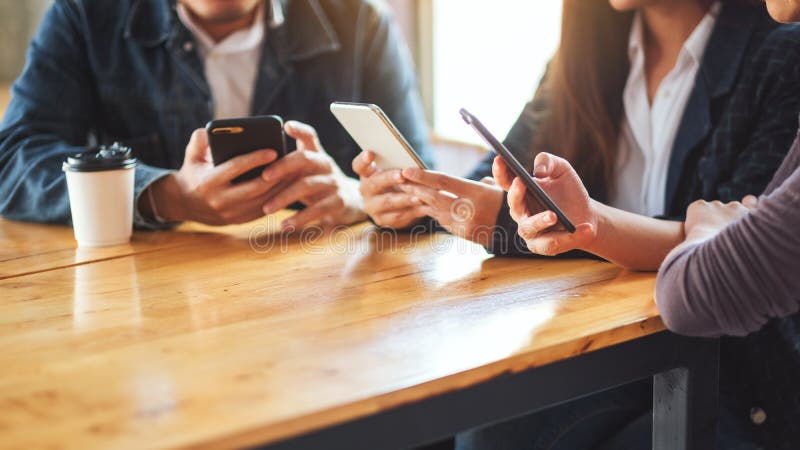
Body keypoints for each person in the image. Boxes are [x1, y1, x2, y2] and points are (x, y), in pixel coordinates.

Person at [490, 2, 800, 448]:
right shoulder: (591, 46)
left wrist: (703, 229)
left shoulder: (779, 48)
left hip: (736, 377)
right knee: (500, 421)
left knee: (517, 426)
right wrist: (438, 197)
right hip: (620, 351)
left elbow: (730, 266)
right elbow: (503, 161)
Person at [354, 0, 800, 265]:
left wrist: (498, 221)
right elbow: (498, 174)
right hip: (596, 337)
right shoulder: (587, 50)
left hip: (707, 371)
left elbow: (737, 244)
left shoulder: (781, 53)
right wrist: (420, 199)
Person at [0, 0, 431, 230]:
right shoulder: (86, 13)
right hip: (144, 305)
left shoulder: (359, 20)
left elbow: (425, 184)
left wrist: (357, 198)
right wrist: (165, 195)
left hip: (321, 301)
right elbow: (13, 161)